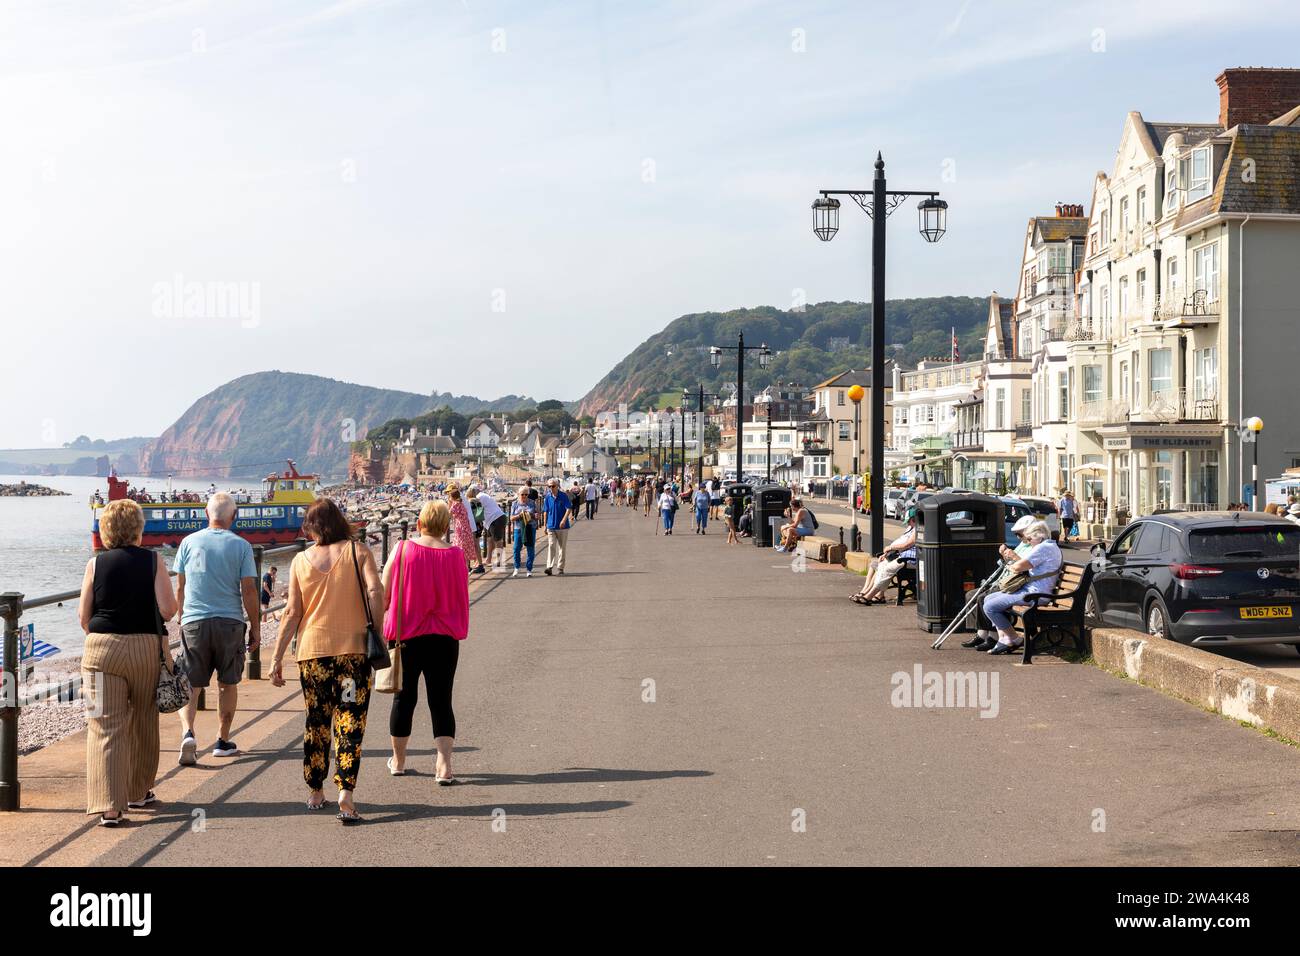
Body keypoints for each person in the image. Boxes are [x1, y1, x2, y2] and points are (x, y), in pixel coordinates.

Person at [270, 499, 382, 823]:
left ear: (311, 527)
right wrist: (376, 631)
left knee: (316, 720)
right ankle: (345, 791)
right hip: (352, 656)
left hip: (313, 656)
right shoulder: (358, 551)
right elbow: (376, 591)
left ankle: (316, 791)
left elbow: (292, 612)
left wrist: (276, 657)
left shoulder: (299, 561)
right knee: (350, 718)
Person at [76, 499, 177, 826]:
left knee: (103, 726)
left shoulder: (95, 565)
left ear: (106, 529)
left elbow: (83, 617)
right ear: (138, 528)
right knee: (144, 721)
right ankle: (137, 791)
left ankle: (108, 806)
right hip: (144, 648)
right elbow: (168, 609)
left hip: (100, 651)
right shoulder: (153, 561)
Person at [380, 499, 470, 783]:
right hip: (444, 637)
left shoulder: (403, 549)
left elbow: (384, 594)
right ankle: (444, 766)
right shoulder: (456, 556)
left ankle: (399, 761)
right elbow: (460, 594)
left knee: (403, 699)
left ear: (419, 523)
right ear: (446, 526)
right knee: (441, 700)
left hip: (407, 635)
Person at [173, 492, 259, 765]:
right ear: (234, 516)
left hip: (194, 622)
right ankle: (222, 740)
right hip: (230, 623)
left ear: (205, 513)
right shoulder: (242, 546)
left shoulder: (188, 543)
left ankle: (188, 733)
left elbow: (180, 586)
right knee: (227, 683)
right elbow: (248, 589)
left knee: (191, 683)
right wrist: (255, 626)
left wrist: (181, 616)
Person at [979, 518, 1062, 655]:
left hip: (1036, 594)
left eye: (1029, 539)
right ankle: (1005, 637)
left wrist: (1012, 564)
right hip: (1033, 590)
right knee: (989, 599)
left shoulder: (1043, 548)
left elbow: (1018, 567)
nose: (1028, 542)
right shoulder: (1049, 546)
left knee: (990, 606)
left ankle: (1013, 638)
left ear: (1039, 537)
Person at [962, 515, 1037, 648]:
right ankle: (981, 632)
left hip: (1014, 583)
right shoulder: (1023, 544)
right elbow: (1010, 563)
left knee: (982, 598)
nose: (1018, 538)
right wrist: (1004, 555)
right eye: (1017, 535)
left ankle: (993, 636)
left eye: (1019, 534)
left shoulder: (1034, 547)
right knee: (970, 595)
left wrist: (1014, 556)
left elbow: (1026, 569)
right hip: (1004, 580)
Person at [851, 509, 918, 604]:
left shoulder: (918, 530)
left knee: (886, 569)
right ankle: (870, 594)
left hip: (910, 560)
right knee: (881, 566)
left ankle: (869, 596)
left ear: (914, 519)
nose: (908, 523)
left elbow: (906, 545)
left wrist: (890, 547)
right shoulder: (912, 528)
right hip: (903, 557)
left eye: (909, 521)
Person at [446, 482, 485, 575]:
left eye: (448, 493)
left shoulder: (457, 503)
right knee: (469, 547)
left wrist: (449, 503)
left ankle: (477, 566)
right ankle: (470, 567)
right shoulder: (461, 500)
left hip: (464, 528)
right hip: (468, 526)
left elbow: (449, 515)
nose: (447, 495)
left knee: (464, 547)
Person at [470, 487, 507, 571]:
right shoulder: (483, 495)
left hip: (495, 519)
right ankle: (488, 559)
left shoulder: (479, 497)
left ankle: (499, 560)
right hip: (492, 520)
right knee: (490, 540)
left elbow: (475, 509)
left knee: (498, 540)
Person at [542, 477, 573, 576]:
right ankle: (549, 567)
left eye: (553, 486)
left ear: (557, 486)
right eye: (549, 486)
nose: (551, 488)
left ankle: (560, 567)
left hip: (563, 527)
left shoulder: (563, 496)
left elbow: (568, 509)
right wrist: (545, 525)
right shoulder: (547, 497)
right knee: (551, 545)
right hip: (551, 526)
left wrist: (564, 520)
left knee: (562, 547)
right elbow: (545, 512)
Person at [510, 486, 536, 577]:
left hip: (530, 528)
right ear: (518, 494)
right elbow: (512, 518)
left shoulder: (532, 503)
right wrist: (520, 516)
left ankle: (529, 569)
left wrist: (531, 515)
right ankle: (516, 568)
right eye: (522, 494)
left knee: (530, 549)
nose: (524, 496)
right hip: (518, 528)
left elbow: (538, 515)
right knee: (516, 548)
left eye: (526, 494)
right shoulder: (515, 504)